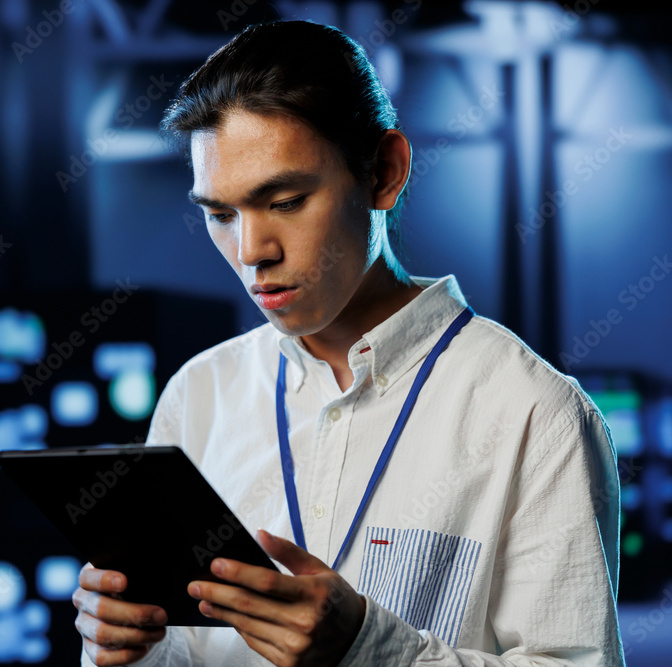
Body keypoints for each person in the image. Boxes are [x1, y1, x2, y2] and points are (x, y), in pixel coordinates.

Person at [73, 20, 624, 666]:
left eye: (283, 199)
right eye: (220, 214)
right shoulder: (199, 397)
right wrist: (123, 646)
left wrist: (368, 647)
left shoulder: (536, 414)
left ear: (383, 173)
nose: (252, 252)